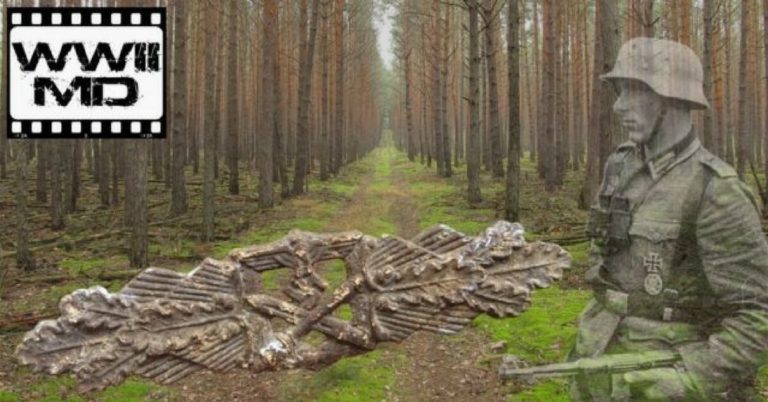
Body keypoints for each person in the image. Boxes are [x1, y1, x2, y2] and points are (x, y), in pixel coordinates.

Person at [572, 37, 768, 401]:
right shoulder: (619, 166)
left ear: (670, 99)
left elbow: (757, 316)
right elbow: (603, 257)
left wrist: (691, 378)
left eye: (633, 93)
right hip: (599, 362)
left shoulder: (715, 190)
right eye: (619, 92)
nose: (618, 106)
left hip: (670, 375)